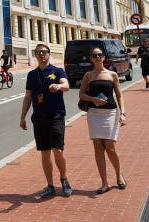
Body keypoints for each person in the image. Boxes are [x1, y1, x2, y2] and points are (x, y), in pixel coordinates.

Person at [20, 44, 73, 198]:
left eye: (44, 52)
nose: (41, 54)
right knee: (44, 153)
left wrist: (59, 85)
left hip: (56, 116)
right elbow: (28, 97)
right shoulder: (32, 75)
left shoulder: (57, 71)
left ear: (49, 55)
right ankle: (50, 185)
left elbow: (67, 85)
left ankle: (64, 179)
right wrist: (22, 117)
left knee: (57, 150)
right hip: (39, 118)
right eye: (38, 52)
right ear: (36, 55)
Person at [78, 47, 127, 194]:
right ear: (91, 59)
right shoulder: (88, 75)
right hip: (94, 114)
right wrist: (93, 99)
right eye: (94, 55)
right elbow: (81, 94)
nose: (97, 57)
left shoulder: (112, 75)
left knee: (110, 148)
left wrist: (123, 113)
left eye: (99, 55)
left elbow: (119, 95)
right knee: (98, 149)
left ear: (103, 57)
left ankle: (119, 175)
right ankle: (104, 183)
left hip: (111, 113)